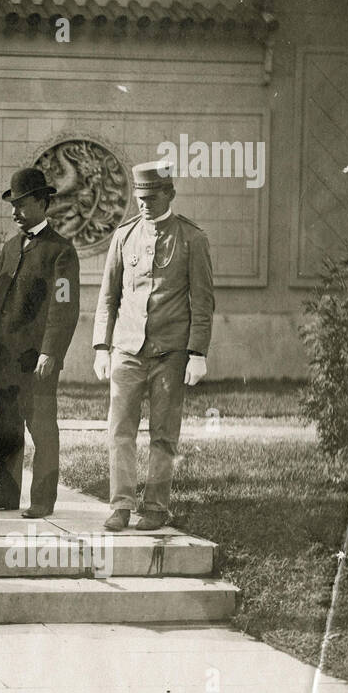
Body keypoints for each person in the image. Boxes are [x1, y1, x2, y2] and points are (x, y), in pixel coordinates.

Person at [93, 161, 214, 531]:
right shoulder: (125, 235)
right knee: (120, 430)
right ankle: (121, 505)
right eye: (140, 197)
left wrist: (197, 353)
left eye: (152, 196)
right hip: (127, 349)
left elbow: (203, 300)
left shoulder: (192, 238)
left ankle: (157, 506)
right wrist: (101, 345)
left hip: (169, 351)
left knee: (163, 433)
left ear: (170, 194)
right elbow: (108, 296)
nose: (144, 203)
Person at [0, 167, 80, 519]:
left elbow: (64, 308)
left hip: (36, 360)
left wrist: (51, 352)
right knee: (5, 428)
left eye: (22, 204)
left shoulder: (60, 252)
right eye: (12, 205)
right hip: (5, 357)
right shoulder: (10, 247)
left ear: (43, 203)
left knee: (42, 430)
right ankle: (6, 494)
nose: (16, 212)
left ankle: (42, 500)